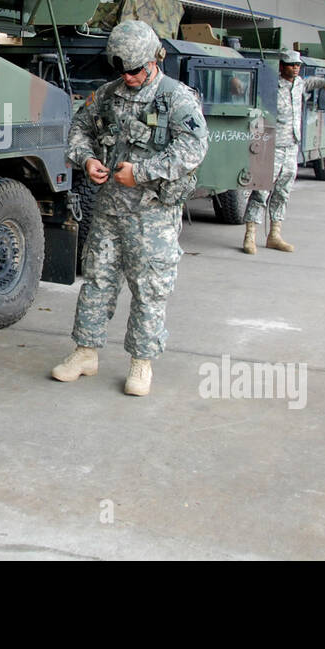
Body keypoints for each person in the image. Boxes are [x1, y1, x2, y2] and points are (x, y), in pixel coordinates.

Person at [52, 20, 208, 397]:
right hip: (108, 210)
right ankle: (86, 352)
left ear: (155, 59)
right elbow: (78, 129)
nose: (130, 78)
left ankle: (141, 362)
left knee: (149, 288)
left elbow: (193, 149)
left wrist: (140, 173)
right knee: (97, 279)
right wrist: (87, 160)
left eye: (136, 70)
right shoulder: (107, 94)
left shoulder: (177, 98)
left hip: (152, 213)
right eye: (123, 71)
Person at [243, 49, 325, 254]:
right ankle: (250, 235)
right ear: (282, 66)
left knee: (283, 192)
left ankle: (274, 235)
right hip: (272, 146)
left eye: (298, 65)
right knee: (261, 191)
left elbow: (314, 82)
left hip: (291, 145)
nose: (295, 68)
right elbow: (247, 90)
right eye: (291, 65)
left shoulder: (299, 83)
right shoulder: (271, 84)